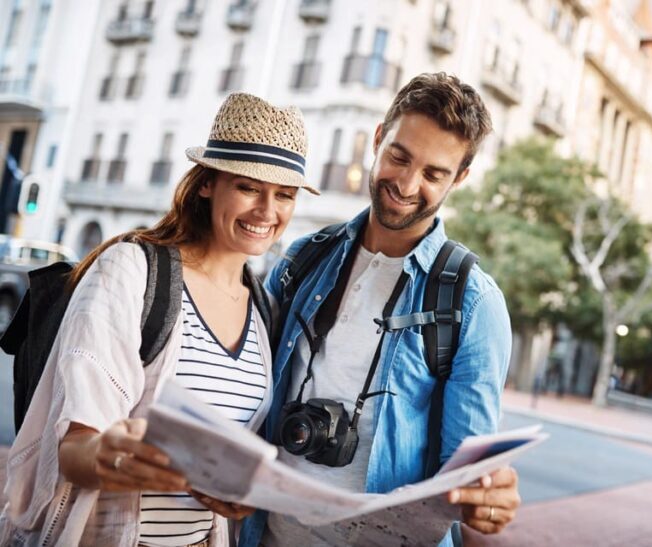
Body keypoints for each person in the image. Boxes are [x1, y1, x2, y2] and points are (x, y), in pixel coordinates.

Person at [0, 93, 317, 546]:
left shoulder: (264, 309)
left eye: (284, 195)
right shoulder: (130, 271)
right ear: (207, 183)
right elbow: (72, 453)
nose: (268, 211)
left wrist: (235, 490)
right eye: (249, 187)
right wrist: (112, 456)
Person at [240, 72, 519, 546]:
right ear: (377, 139)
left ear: (461, 178)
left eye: (434, 174)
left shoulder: (474, 304)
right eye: (399, 156)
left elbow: (465, 480)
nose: (408, 184)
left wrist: (489, 499)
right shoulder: (302, 258)